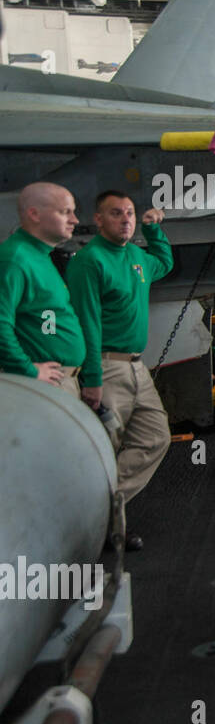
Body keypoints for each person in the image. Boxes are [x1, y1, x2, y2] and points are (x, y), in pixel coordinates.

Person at [65, 192, 173, 551]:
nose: (125, 219)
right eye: (116, 214)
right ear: (98, 220)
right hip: (107, 368)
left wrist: (153, 229)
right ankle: (109, 533)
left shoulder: (136, 256)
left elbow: (164, 263)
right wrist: (92, 379)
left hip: (136, 367)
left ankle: (100, 507)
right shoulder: (88, 261)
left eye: (129, 213)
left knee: (156, 437)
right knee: (105, 451)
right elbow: (87, 323)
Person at [0, 182, 85, 398]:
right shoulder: (15, 259)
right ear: (35, 214)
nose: (75, 220)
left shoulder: (40, 256)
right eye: (65, 212)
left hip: (60, 381)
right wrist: (27, 370)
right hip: (41, 385)